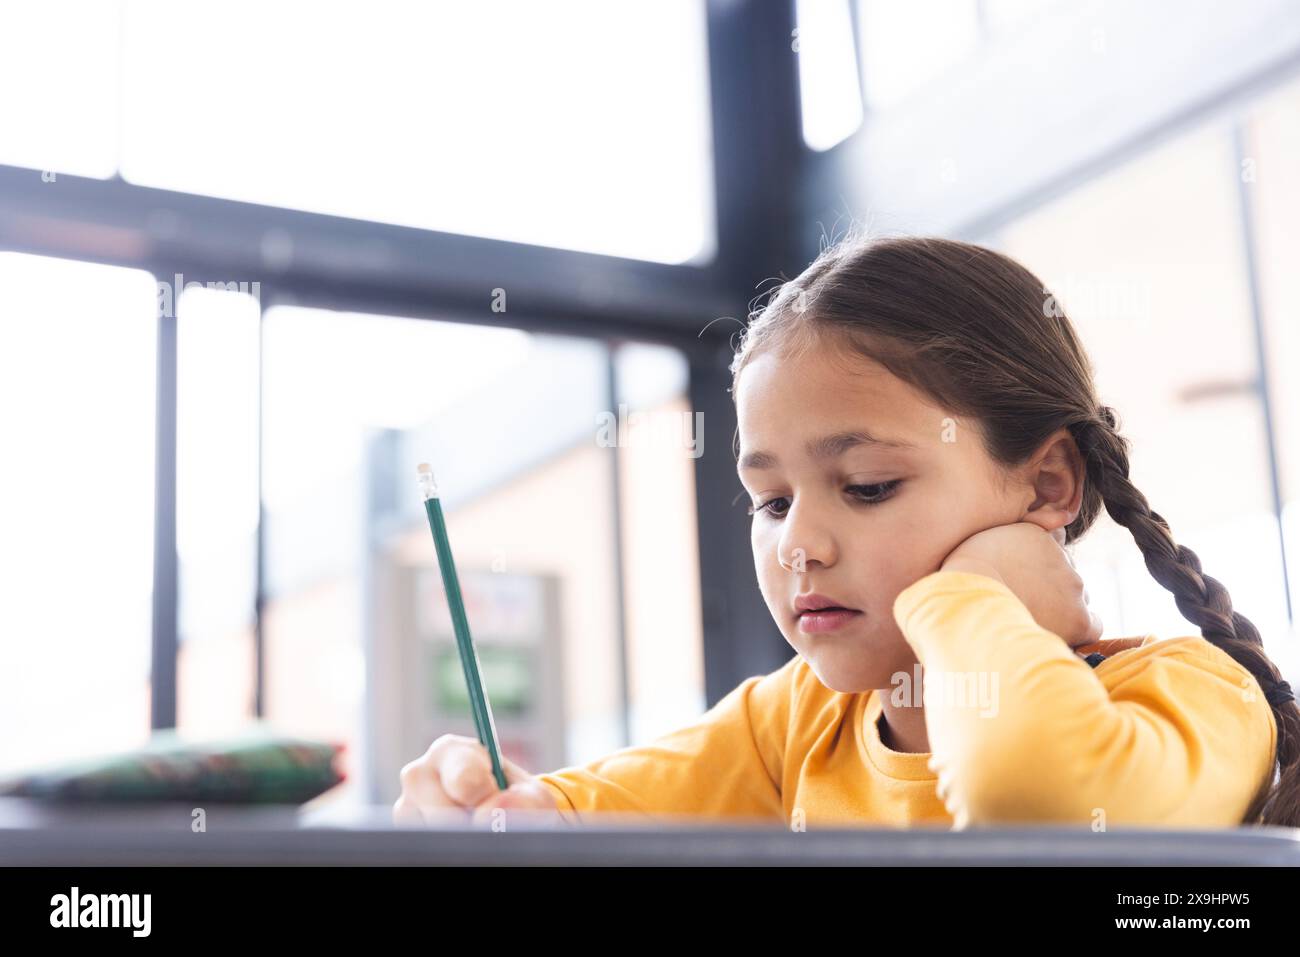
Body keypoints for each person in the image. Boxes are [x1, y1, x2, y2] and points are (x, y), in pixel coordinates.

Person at [393, 232, 1298, 830]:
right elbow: (569, 824)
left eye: (867, 486)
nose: (799, 544)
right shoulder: (792, 724)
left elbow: (1038, 794)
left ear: (1047, 481)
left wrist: (974, 596)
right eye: (773, 501)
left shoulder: (1194, 692)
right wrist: (474, 804)